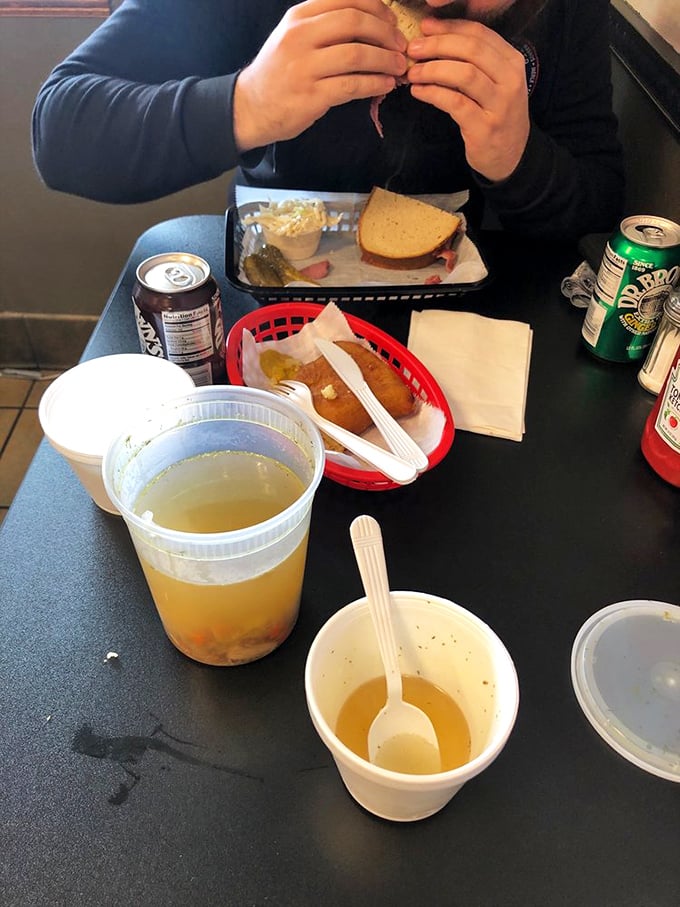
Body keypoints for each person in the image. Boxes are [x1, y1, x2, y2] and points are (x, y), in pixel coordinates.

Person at [32, 0, 624, 239]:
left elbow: (601, 197)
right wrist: (246, 104)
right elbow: (60, 130)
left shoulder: (568, 9)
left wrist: (519, 161)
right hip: (269, 297)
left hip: (470, 314)